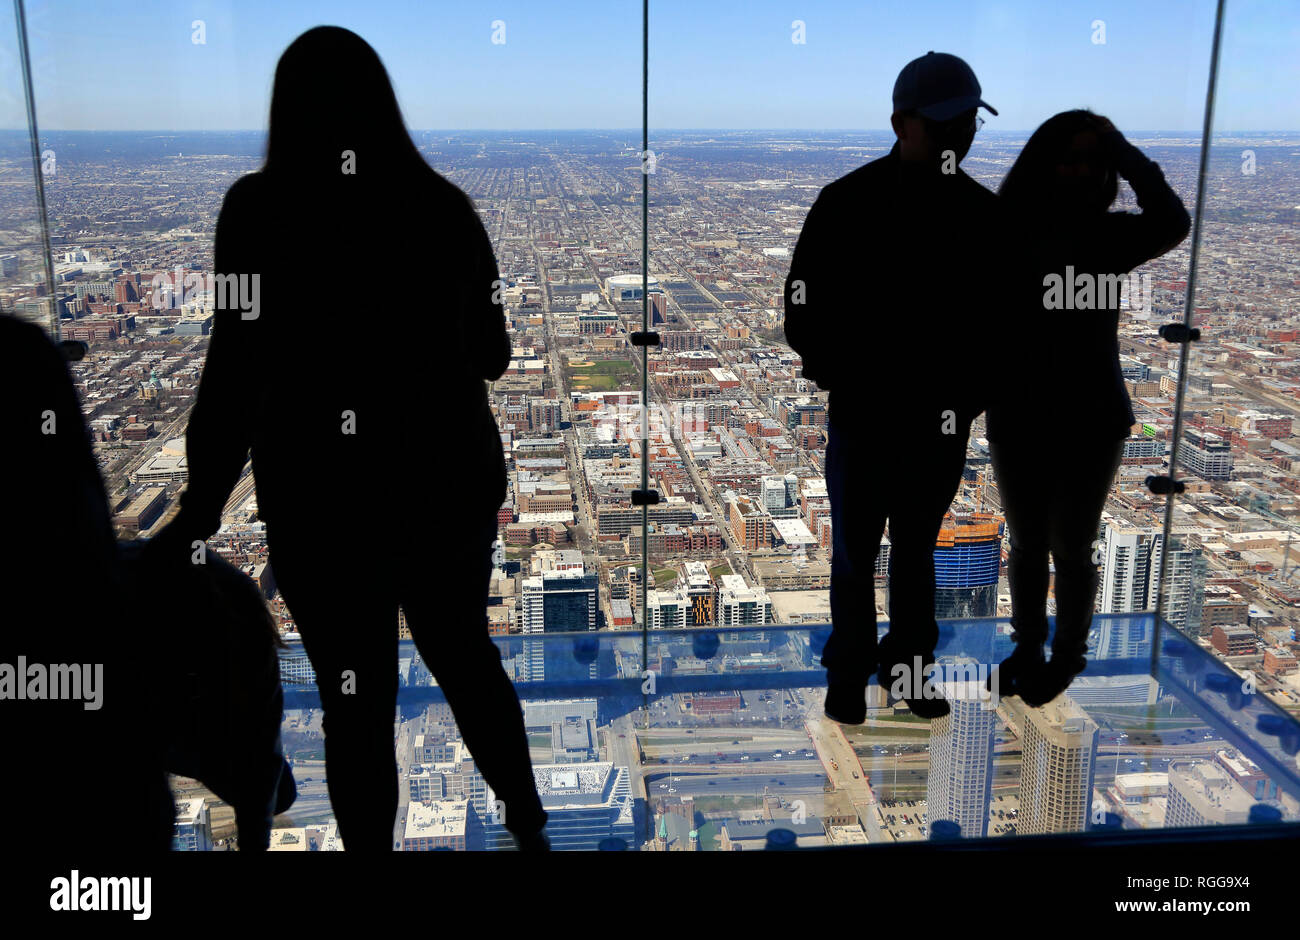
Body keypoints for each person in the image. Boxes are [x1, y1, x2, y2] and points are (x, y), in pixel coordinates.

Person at [150, 26, 549, 851]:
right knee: (468, 665)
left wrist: (200, 507)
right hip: (442, 487)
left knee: (353, 703)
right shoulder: (444, 209)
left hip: (322, 503)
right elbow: (497, 356)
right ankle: (530, 824)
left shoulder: (254, 213)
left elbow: (232, 368)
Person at [784, 52, 1000, 722]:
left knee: (909, 557)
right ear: (901, 123)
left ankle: (897, 674)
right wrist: (851, 373)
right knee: (859, 555)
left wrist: (962, 399)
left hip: (921, 423)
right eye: (946, 123)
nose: (959, 135)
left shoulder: (978, 216)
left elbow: (1004, 328)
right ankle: (852, 675)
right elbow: (799, 313)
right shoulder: (846, 205)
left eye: (966, 122)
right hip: (874, 417)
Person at [985, 110, 1191, 706]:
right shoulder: (1016, 228)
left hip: (1084, 414)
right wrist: (1117, 150)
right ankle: (1029, 651)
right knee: (1026, 544)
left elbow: (1173, 220)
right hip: (1029, 409)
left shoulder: (1101, 235)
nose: (1077, 169)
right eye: (1066, 157)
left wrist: (1120, 148)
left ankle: (1065, 657)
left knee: (1070, 546)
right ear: (1044, 163)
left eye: (1088, 160)